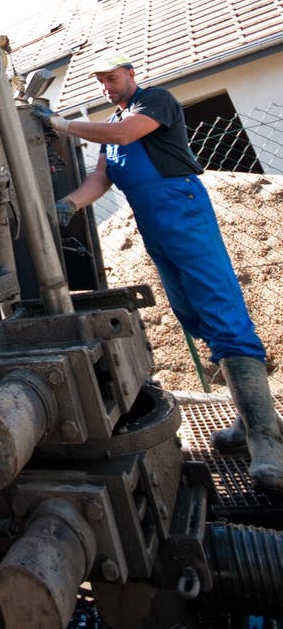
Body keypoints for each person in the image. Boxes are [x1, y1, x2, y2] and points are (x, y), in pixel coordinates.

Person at [31, 51, 283, 494]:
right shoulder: (113, 122)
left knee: (221, 310)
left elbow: (128, 134)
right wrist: (67, 204)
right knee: (194, 314)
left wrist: (62, 125)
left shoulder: (155, 102)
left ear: (130, 74)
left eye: (113, 77)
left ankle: (268, 440)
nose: (108, 86)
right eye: (102, 81)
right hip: (154, 224)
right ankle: (247, 421)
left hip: (182, 211)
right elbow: (102, 179)